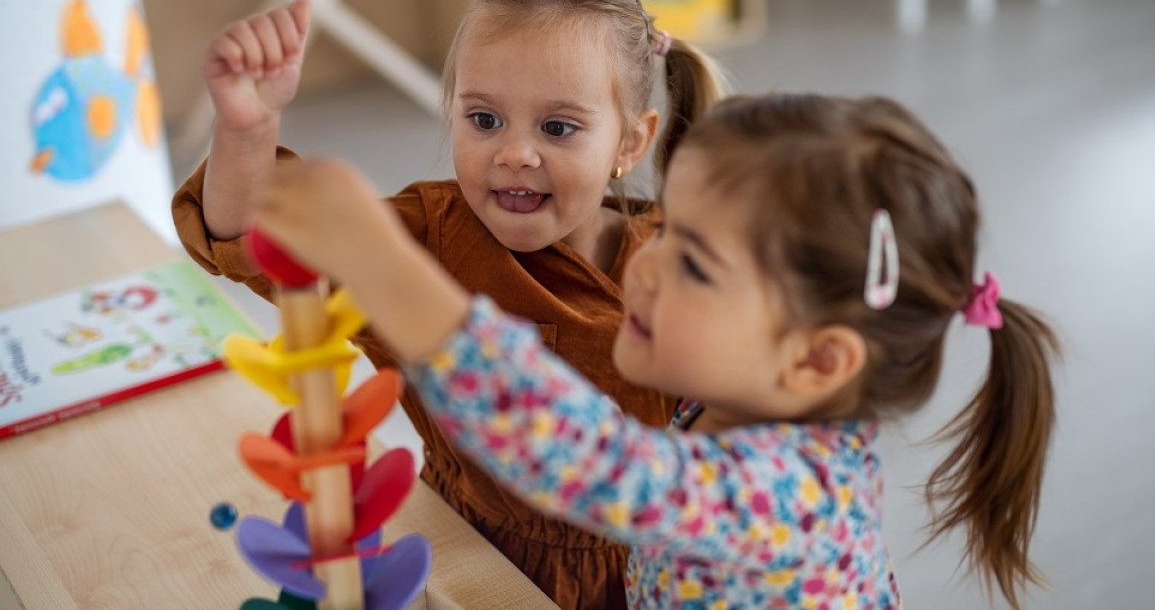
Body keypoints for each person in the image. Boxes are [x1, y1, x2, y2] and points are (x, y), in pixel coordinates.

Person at [248, 93, 1060, 609]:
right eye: (669, 230)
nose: (649, 263)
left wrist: (385, 266)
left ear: (816, 362)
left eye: (697, 263)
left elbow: (590, 461)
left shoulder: (786, 494)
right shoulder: (732, 400)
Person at [171, 0, 725, 608]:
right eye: (484, 119)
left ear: (630, 142)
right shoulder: (422, 240)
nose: (514, 153)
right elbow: (256, 242)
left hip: (651, 582)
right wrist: (247, 129)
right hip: (465, 562)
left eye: (559, 127)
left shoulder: (678, 257)